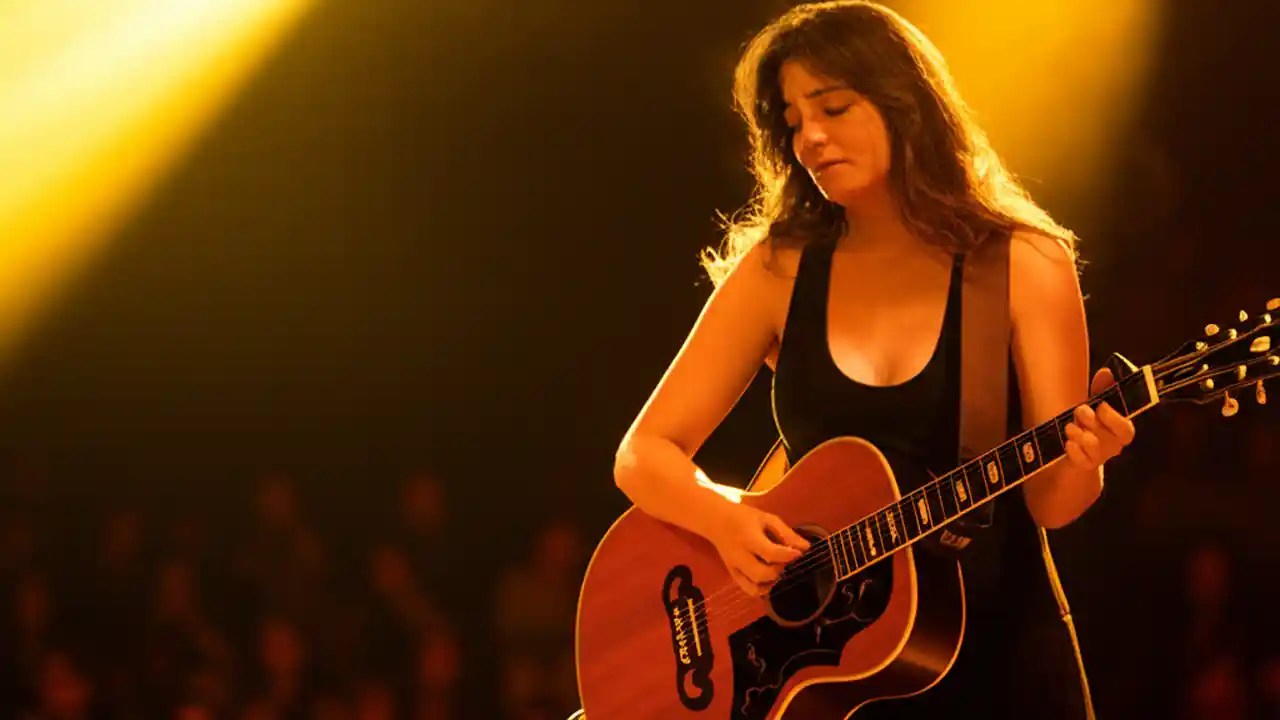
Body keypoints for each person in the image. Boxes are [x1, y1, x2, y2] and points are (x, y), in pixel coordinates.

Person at [610, 2, 1136, 718]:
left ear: (905, 104)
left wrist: (1086, 457)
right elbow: (642, 455)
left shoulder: (1023, 263)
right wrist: (726, 522)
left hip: (1000, 663)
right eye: (793, 122)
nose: (811, 139)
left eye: (832, 107)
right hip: (825, 677)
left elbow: (1051, 503)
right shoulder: (779, 271)